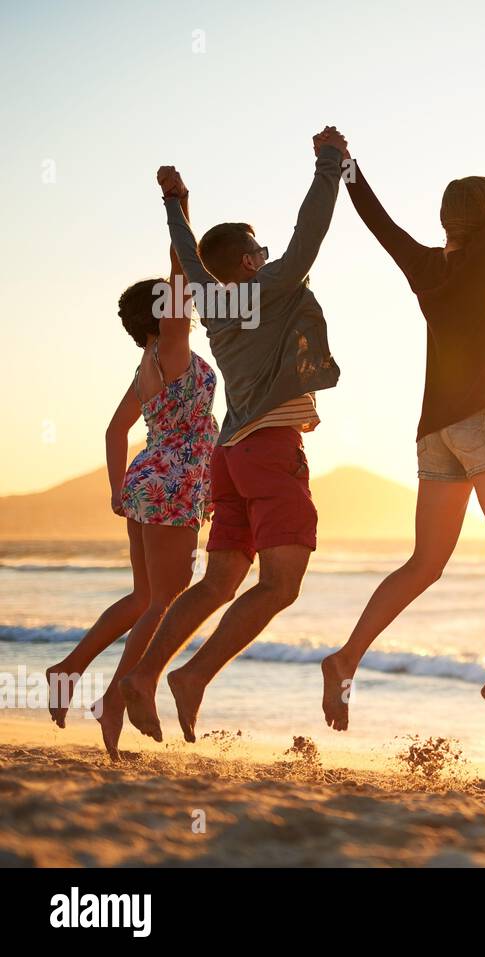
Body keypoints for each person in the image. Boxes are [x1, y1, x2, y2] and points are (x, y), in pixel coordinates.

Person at [320, 72, 485, 746]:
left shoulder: (425, 266)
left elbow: (377, 219)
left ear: (449, 221)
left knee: (425, 562)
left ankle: (346, 657)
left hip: (435, 434)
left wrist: (344, 165)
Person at [120, 128, 349, 743]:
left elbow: (187, 254)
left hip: (230, 454)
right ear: (249, 263)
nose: (268, 255)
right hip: (270, 449)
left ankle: (144, 677)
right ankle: (192, 678)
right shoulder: (268, 290)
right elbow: (311, 234)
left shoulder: (208, 297)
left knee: (220, 582)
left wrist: (175, 200)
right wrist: (330, 162)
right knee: (280, 584)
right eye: (259, 249)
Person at [45, 169, 218, 759]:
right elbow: (180, 272)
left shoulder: (149, 363)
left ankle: (73, 672)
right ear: (164, 314)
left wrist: (120, 490)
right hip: (172, 484)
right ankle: (119, 693)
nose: (189, 303)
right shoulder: (171, 347)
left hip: (151, 480)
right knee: (168, 598)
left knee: (147, 597)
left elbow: (116, 430)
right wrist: (179, 204)